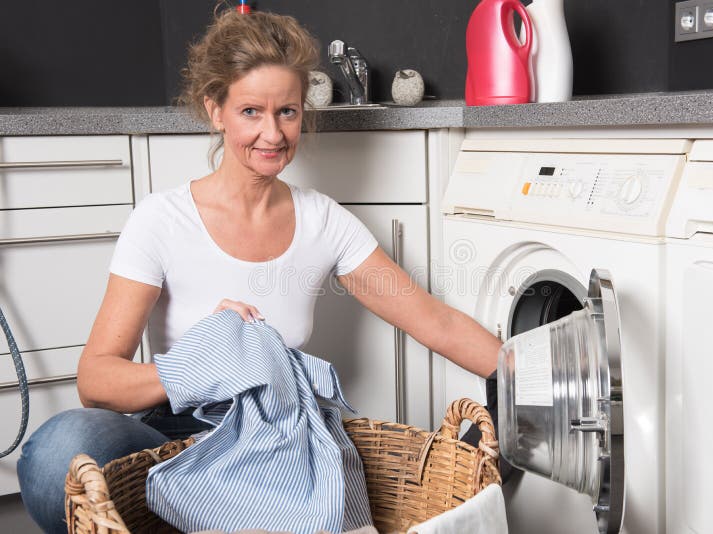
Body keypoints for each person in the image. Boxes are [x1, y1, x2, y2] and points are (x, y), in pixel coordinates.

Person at [17, 8, 501, 534]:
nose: (272, 134)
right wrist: (209, 360)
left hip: (282, 442)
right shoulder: (162, 220)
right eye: (251, 111)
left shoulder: (323, 221)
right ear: (215, 110)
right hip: (178, 438)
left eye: (287, 112)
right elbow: (96, 380)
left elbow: (434, 321)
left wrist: (533, 378)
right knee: (53, 455)